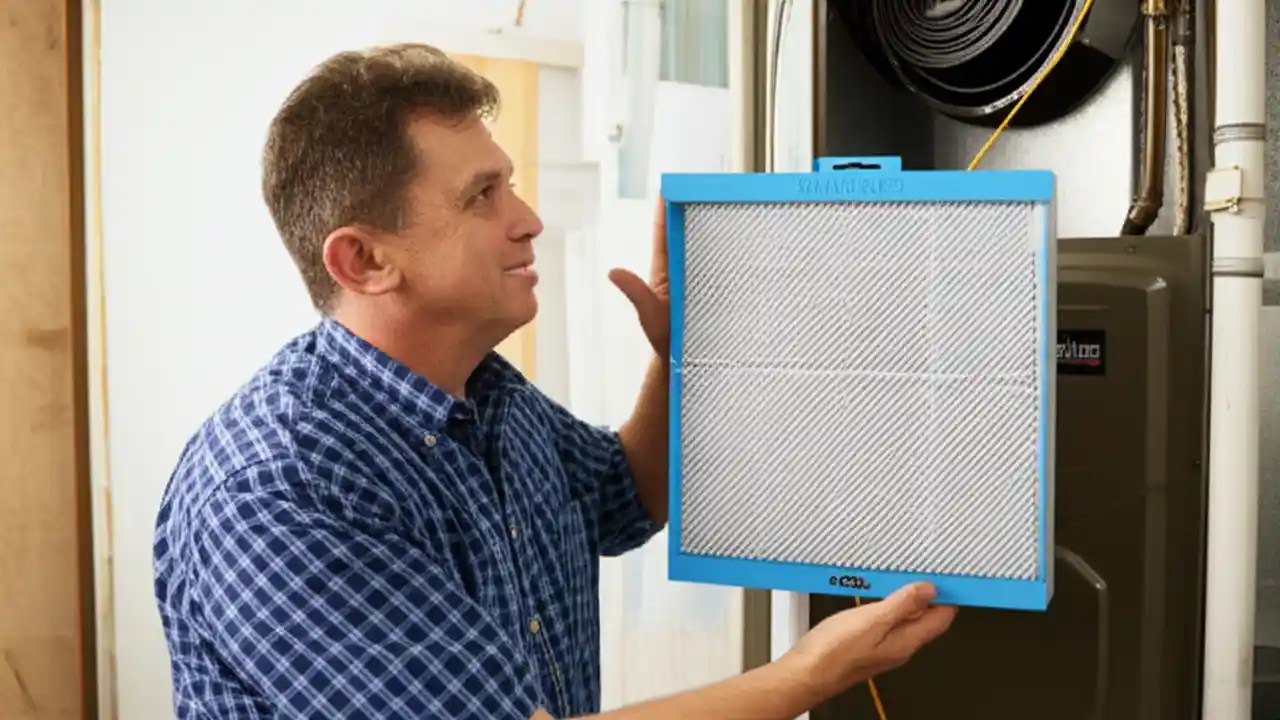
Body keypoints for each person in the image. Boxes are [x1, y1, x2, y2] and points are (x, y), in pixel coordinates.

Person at [152, 43, 956, 719]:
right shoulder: (277, 487)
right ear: (363, 260)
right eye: (481, 197)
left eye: (508, 182)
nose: (528, 217)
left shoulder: (487, 391)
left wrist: (687, 360)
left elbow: (625, 494)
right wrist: (806, 677)